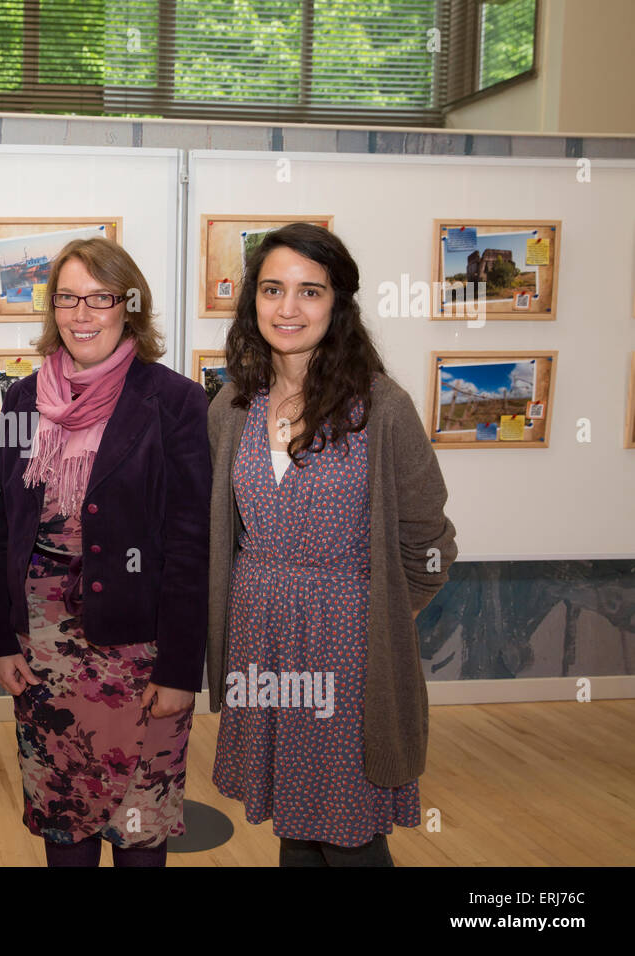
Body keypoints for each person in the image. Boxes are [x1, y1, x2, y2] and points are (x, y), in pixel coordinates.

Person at [206, 222, 457, 867]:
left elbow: (430, 542)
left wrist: (381, 621)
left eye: (309, 292)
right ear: (252, 302)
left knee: (349, 831)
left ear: (337, 303)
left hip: (351, 650)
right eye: (272, 290)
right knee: (295, 817)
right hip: (259, 636)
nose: (288, 309)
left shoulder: (381, 407)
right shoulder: (232, 405)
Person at [0, 238, 211, 867]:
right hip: (43, 649)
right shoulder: (24, 399)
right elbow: (1, 525)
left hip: (142, 650)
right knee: (64, 830)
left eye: (99, 298)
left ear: (128, 306)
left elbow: (192, 548)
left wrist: (181, 671)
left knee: (139, 831)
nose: (82, 314)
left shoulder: (176, 403)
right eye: (67, 299)